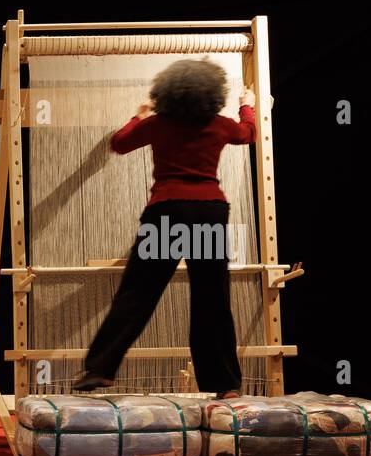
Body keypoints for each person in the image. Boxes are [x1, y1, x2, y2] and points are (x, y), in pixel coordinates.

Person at [73, 58, 256, 399]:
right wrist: (247, 106)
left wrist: (139, 115)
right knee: (212, 299)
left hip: (166, 213)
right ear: (213, 92)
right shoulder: (219, 125)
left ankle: (100, 369)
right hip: (208, 213)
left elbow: (119, 142)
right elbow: (250, 134)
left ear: (166, 92)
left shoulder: (158, 123)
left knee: (138, 292)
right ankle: (225, 384)